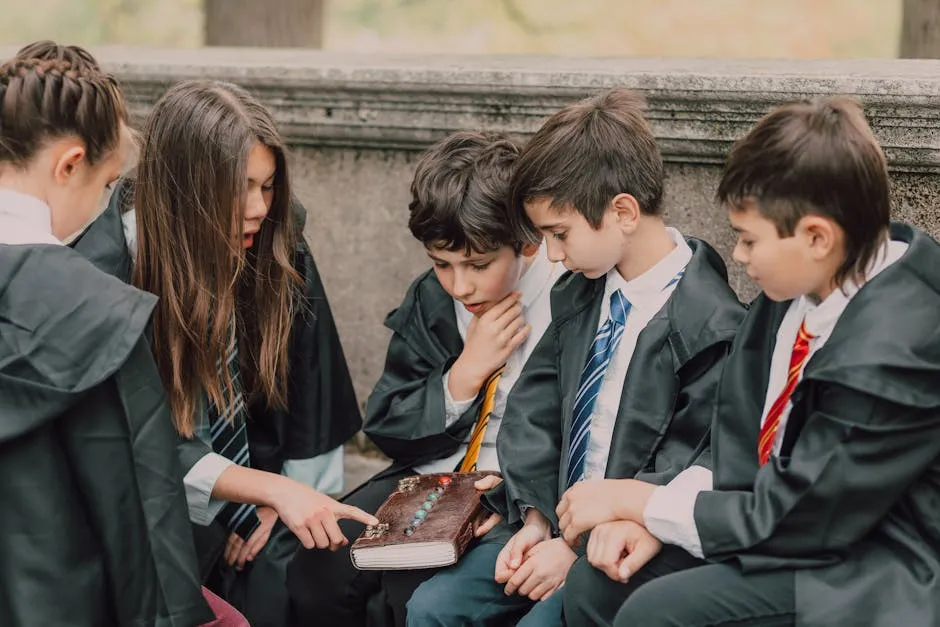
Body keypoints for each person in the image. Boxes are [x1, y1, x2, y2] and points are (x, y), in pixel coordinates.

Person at [557, 96, 940, 627]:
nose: (736, 256)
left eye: (748, 239)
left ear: (815, 236)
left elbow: (806, 515)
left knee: (658, 613)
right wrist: (658, 517)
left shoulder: (895, 352)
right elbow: (737, 442)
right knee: (599, 584)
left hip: (870, 556)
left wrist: (640, 503)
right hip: (779, 515)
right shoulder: (794, 287)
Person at [406, 88, 745, 626]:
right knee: (433, 608)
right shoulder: (580, 294)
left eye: (559, 234)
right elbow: (533, 411)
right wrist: (537, 519)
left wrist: (574, 548)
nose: (554, 255)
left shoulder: (711, 327)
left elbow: (690, 462)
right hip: (550, 520)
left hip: (622, 543)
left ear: (624, 212)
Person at [74, 78, 375, 627]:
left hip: (264, 472)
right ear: (183, 190)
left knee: (315, 573)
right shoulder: (106, 276)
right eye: (240, 188)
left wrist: (286, 501)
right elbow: (136, 441)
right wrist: (260, 494)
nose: (258, 207)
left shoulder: (274, 237)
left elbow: (312, 386)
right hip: (160, 506)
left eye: (268, 185)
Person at [289, 130, 564, 626]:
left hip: (519, 482)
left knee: (413, 579)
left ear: (528, 240)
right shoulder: (434, 298)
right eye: (442, 264)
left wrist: (515, 495)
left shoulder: (568, 294)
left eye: (479, 264)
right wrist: (462, 377)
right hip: (435, 471)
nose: (461, 285)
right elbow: (388, 422)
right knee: (322, 560)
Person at [0, 51, 214, 626]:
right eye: (108, 182)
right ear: (70, 164)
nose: (103, 202)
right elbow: (143, 515)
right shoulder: (97, 314)